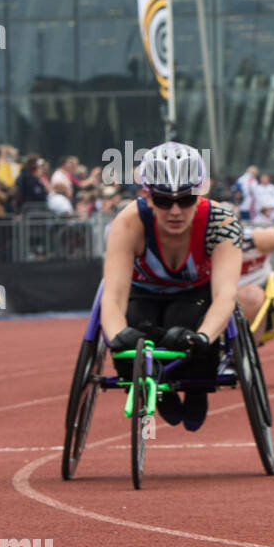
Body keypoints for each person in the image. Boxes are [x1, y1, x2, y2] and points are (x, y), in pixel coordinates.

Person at [101, 142, 242, 432]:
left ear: (200, 194)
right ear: (147, 196)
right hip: (144, 292)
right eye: (164, 201)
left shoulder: (223, 222)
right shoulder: (127, 222)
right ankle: (155, 389)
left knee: (184, 330)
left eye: (186, 199)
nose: (175, 211)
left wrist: (203, 338)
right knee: (133, 337)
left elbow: (226, 295)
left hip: (196, 294)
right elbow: (113, 296)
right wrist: (118, 338)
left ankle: (196, 388)